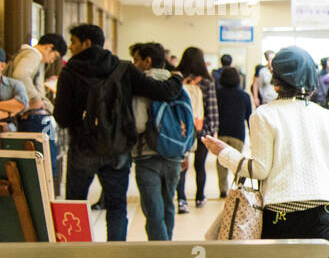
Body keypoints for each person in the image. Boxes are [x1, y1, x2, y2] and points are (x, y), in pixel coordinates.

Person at [204, 47, 329, 244]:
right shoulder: (325, 116)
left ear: (276, 82)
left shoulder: (264, 114)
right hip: (322, 212)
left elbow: (260, 170)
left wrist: (224, 153)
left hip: (280, 212)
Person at [53, 25, 182, 241]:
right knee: (116, 207)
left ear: (86, 43)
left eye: (73, 42)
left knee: (74, 206)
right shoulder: (123, 69)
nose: (71, 47)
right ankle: (115, 255)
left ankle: (72, 253)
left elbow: (62, 118)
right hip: (117, 149)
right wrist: (176, 77)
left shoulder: (69, 72)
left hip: (82, 150)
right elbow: (164, 92)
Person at [130, 42, 184, 240]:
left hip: (147, 155)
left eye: (137, 60)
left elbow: (139, 124)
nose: (134, 65)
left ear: (148, 61)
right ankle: (167, 244)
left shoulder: (142, 84)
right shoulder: (177, 83)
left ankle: (161, 253)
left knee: (153, 209)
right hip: (174, 155)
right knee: (168, 203)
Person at [6, 33, 66, 178]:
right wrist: (35, 97)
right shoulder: (34, 55)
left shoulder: (24, 53)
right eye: (54, 56)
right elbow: (20, 75)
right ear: (48, 47)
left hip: (29, 116)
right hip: (35, 117)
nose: (51, 61)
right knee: (46, 165)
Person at [176, 47, 219, 213]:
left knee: (182, 166)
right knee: (200, 165)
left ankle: (181, 200)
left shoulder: (178, 80)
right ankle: (200, 197)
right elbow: (212, 108)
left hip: (182, 131)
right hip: (202, 130)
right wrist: (213, 130)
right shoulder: (207, 82)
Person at [214, 66, 254, 199]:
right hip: (238, 133)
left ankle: (223, 189)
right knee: (237, 162)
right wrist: (251, 134)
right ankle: (236, 187)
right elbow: (249, 117)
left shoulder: (217, 94)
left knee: (221, 162)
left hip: (222, 132)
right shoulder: (244, 96)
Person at [0, 48, 31, 130]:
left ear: (2, 66)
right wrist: (9, 112)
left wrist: (7, 114)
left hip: (9, 129)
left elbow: (21, 104)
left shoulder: (14, 84)